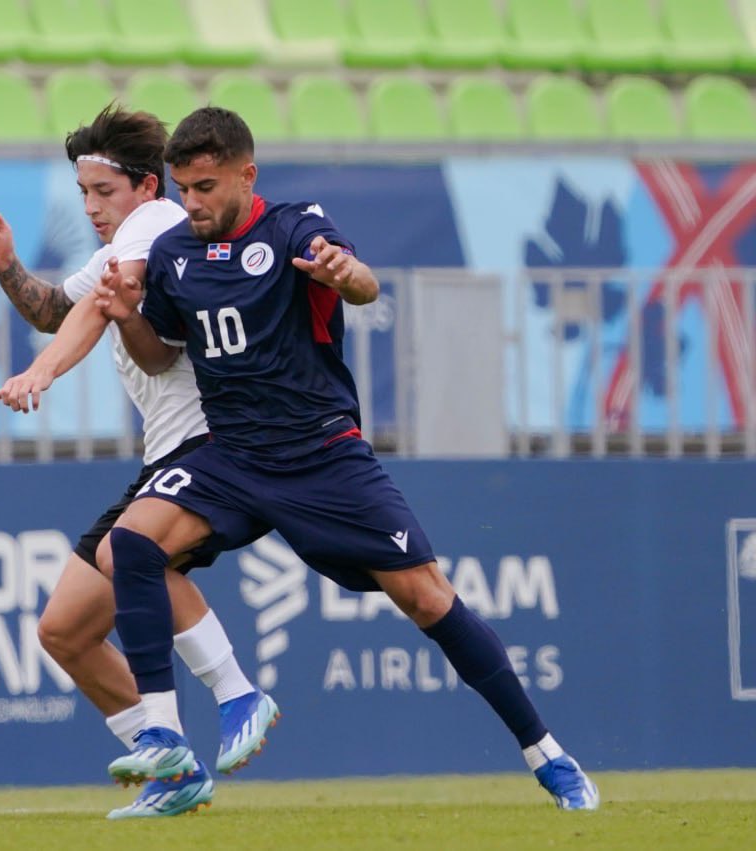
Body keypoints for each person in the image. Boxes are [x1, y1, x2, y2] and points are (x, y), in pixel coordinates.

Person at [92, 106, 599, 812]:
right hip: (232, 456)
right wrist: (127, 318)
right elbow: (161, 353)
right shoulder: (175, 253)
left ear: (247, 174)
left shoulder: (295, 226)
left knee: (425, 595)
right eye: (182, 187)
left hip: (321, 455)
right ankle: (163, 733)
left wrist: (345, 270)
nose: (193, 202)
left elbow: (361, 284)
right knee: (131, 543)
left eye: (206, 186)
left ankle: (549, 754)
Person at [0, 105, 277, 819]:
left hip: (210, 445)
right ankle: (177, 772)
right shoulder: (125, 246)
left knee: (132, 552)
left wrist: (41, 373)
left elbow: (93, 314)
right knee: (65, 629)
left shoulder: (157, 222)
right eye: (83, 195)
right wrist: (9, 266)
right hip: (165, 453)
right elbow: (53, 306)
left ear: (144, 185)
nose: (93, 208)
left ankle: (237, 694)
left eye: (103, 192)